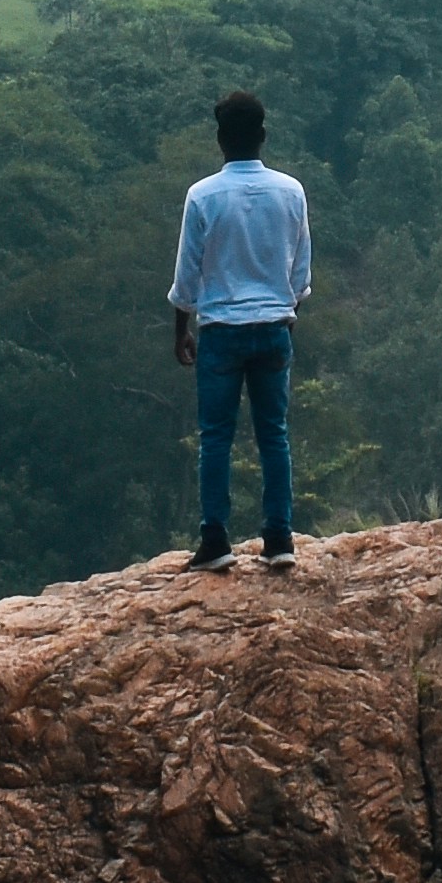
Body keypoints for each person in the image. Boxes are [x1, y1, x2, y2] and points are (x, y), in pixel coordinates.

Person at [168, 89, 308, 568]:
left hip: (222, 330)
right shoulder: (291, 191)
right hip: (274, 325)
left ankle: (215, 541)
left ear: (220, 139)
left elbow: (188, 274)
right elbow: (300, 272)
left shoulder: (203, 195)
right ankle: (279, 541)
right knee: (274, 434)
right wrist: (288, 316)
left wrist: (181, 328)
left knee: (216, 437)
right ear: (263, 136)